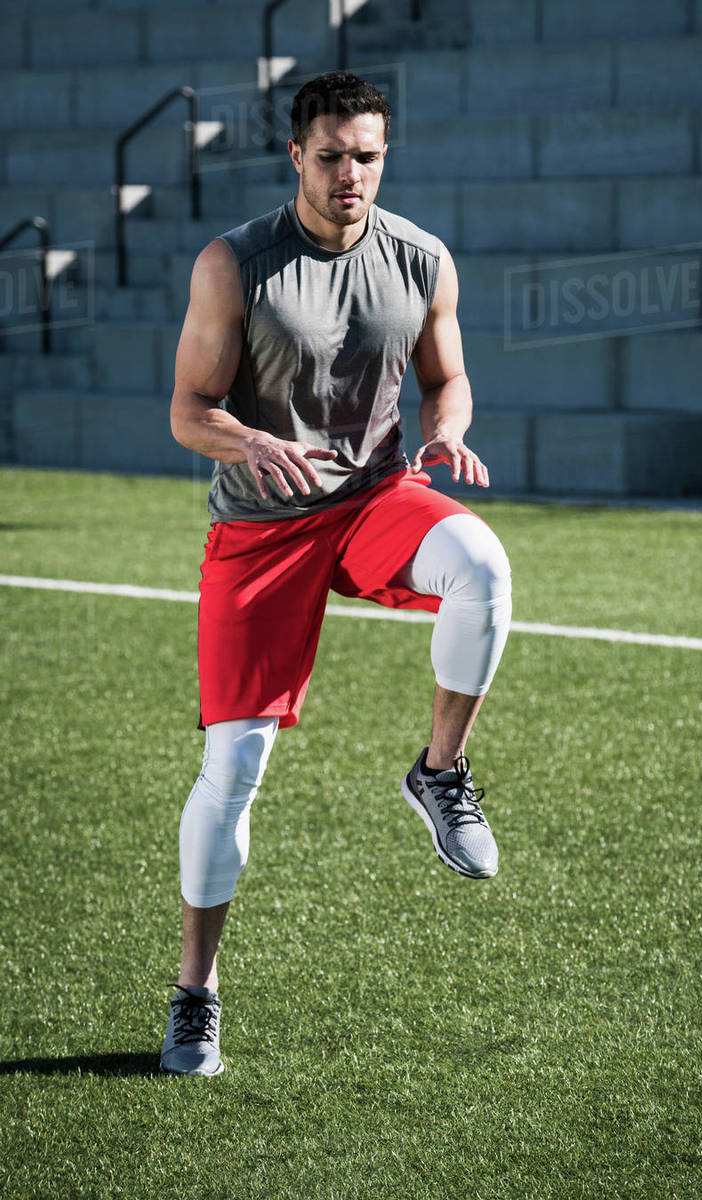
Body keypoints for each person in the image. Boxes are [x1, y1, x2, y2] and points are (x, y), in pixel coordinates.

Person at [160, 72, 512, 1076]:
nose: (349, 173)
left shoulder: (422, 258)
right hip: (264, 533)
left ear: (383, 158)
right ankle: (197, 994)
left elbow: (447, 377)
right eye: (330, 155)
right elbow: (188, 408)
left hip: (368, 501)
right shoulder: (236, 265)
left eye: (366, 155)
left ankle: (440, 773)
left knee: (482, 561)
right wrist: (243, 442)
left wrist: (447, 432)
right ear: (296, 157)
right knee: (233, 771)